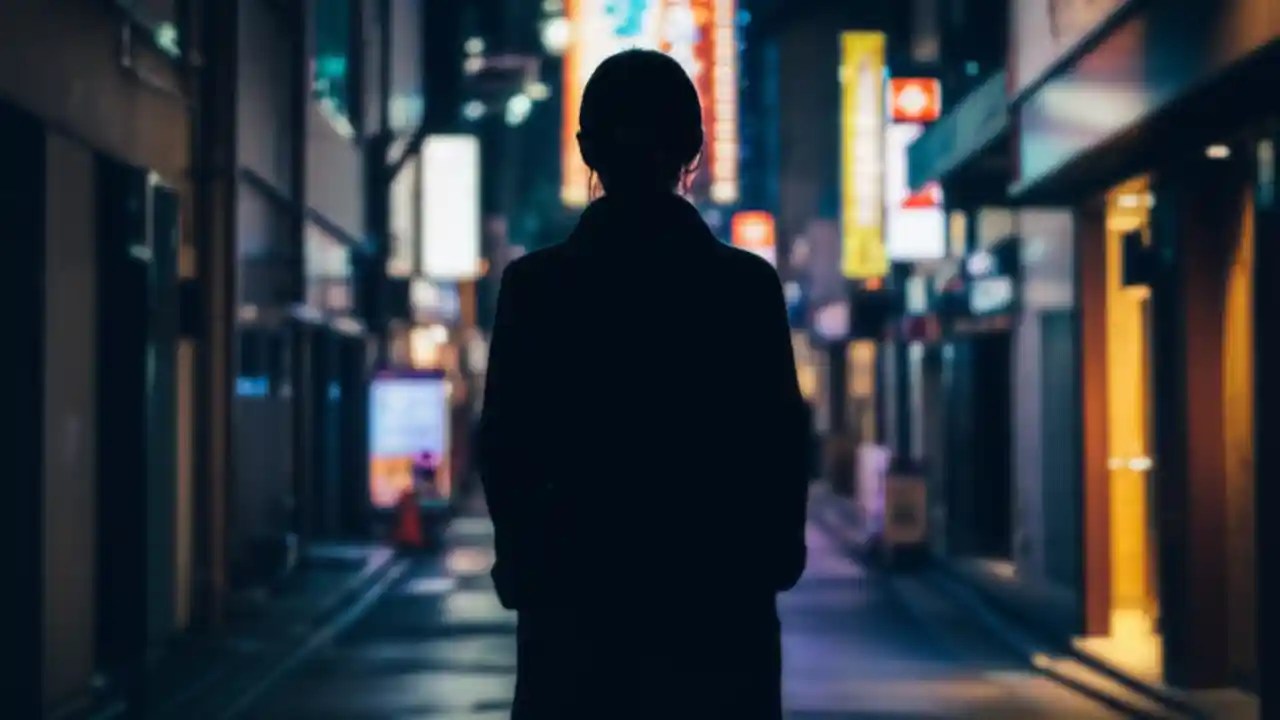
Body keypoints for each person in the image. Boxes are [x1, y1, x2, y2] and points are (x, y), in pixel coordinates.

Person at [479, 49, 810, 719]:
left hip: (573, 626)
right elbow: (779, 446)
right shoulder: (744, 290)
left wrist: (525, 565)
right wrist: (768, 561)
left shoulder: (537, 289)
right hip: (718, 626)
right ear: (693, 147)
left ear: (585, 149)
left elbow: (506, 446)